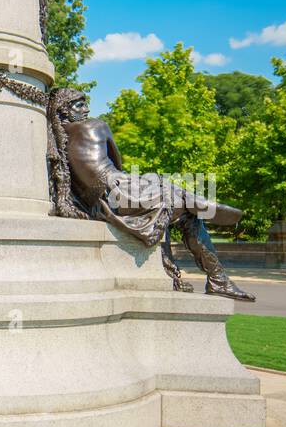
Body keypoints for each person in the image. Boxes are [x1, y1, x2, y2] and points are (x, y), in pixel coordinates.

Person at [47, 87, 255, 301]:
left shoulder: (54, 138)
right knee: (174, 200)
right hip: (116, 185)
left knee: (166, 202)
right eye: (80, 104)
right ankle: (217, 277)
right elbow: (117, 161)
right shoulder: (97, 125)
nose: (87, 108)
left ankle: (191, 216)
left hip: (97, 202)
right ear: (64, 108)